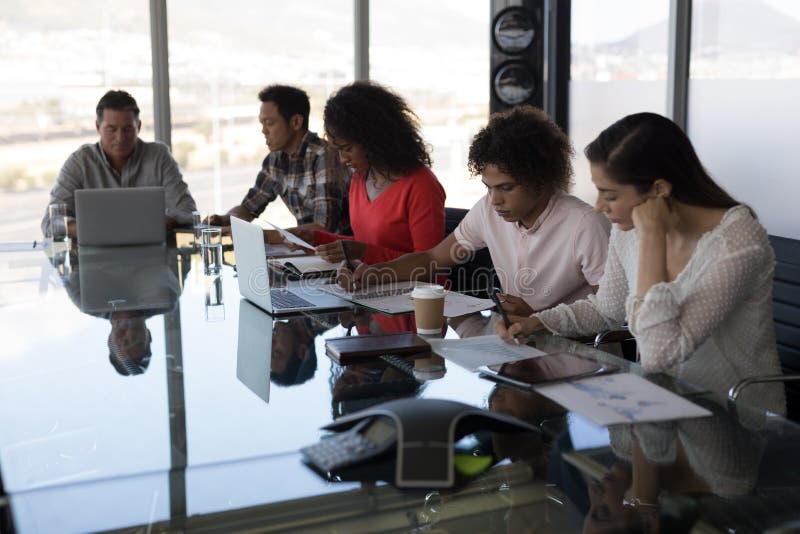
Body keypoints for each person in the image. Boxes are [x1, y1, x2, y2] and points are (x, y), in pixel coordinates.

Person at [498, 112, 785, 415]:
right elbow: (606, 308)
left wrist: (651, 237)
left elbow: (660, 354)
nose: (598, 207)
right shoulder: (630, 227)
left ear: (659, 191)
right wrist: (538, 322)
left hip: (733, 417)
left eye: (609, 195)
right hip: (661, 406)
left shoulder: (737, 242)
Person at [343, 105, 611, 316]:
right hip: (518, 345)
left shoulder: (585, 225)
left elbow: (609, 311)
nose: (495, 200)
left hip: (580, 358)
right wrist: (373, 273)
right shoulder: (488, 210)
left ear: (541, 179)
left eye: (506, 188)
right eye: (488, 187)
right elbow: (433, 259)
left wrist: (539, 318)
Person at [283, 81, 445, 265]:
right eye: (337, 150)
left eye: (348, 148)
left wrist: (362, 253)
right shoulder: (360, 178)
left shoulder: (421, 185)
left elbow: (432, 266)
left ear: (373, 139)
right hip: (369, 286)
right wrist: (317, 239)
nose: (343, 159)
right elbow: (369, 245)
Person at [41, 90, 197, 238]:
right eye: (111, 129)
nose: (120, 137)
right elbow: (51, 222)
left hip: (152, 257)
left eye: (128, 129)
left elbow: (187, 211)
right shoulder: (80, 162)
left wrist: (151, 227)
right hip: (96, 260)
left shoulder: (159, 157)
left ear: (139, 127)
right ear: (97, 127)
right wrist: (97, 231)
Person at [207, 85, 350, 238]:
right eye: (262, 124)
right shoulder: (274, 160)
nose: (264, 131)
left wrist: (264, 236)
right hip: (308, 248)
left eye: (269, 123)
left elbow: (323, 227)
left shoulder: (324, 156)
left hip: (340, 252)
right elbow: (249, 207)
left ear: (296, 122)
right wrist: (224, 219)